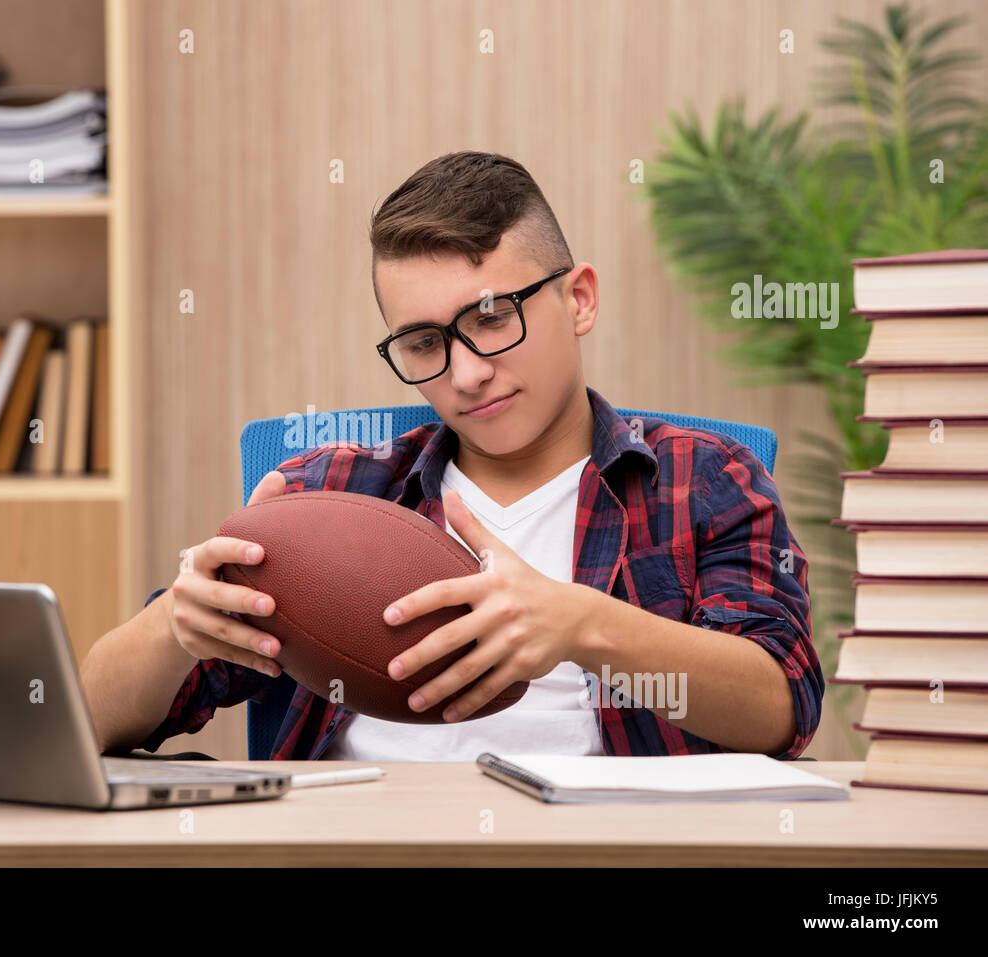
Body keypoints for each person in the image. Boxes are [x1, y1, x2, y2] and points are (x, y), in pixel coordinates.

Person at [81, 151, 823, 761]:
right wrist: (172, 627)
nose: (466, 372)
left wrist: (581, 626)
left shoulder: (701, 478)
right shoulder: (330, 494)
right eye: (425, 343)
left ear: (580, 299)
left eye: (492, 318)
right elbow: (89, 722)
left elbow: (783, 708)